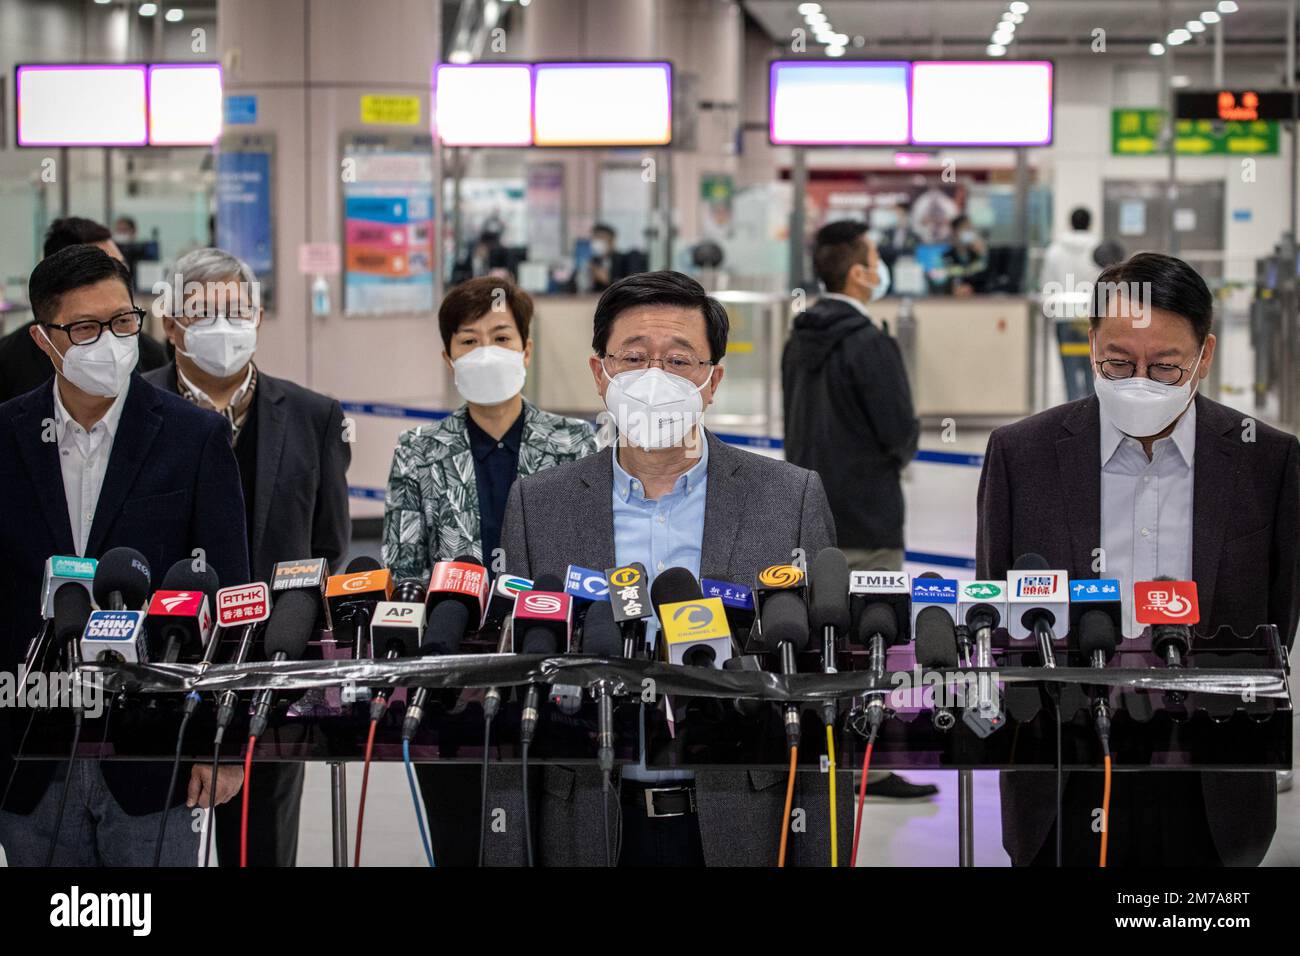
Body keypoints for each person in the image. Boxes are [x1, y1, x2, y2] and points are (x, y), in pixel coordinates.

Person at [491, 270, 851, 866]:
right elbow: (515, 697)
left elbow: (815, 701)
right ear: (598, 373)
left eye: (679, 361)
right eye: (633, 357)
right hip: (588, 821)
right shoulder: (539, 505)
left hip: (741, 821)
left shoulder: (790, 499)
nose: (654, 378)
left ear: (713, 382)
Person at [977, 252, 1299, 866]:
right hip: (1063, 768)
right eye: (1117, 362)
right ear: (1090, 341)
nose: (1140, 382)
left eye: (1167, 367)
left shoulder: (1267, 462)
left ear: (1205, 355)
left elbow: (1276, 622)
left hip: (1208, 773)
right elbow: (1000, 613)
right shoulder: (1022, 454)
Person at [0, 245, 249, 866]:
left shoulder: (194, 438)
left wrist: (223, 742)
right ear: (44, 338)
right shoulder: (6, 437)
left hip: (156, 752)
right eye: (85, 328)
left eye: (122, 321)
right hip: (29, 751)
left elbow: (232, 599)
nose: (108, 340)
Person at [144, 247, 351, 868]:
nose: (223, 326)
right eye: (203, 313)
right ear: (171, 326)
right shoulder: (137, 409)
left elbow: (327, 546)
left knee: (261, 848)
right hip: (161, 671)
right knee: (153, 847)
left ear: (259, 318)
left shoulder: (312, 415)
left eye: (237, 311)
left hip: (269, 674)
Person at [382, 274, 596, 865]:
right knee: (459, 840)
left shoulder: (577, 445)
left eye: (501, 337)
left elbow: (594, 563)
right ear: (448, 356)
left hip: (549, 668)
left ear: (527, 349)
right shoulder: (418, 451)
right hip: (454, 674)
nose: (486, 353)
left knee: (547, 837)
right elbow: (403, 569)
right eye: (469, 340)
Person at [783, 220, 934, 802]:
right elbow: (899, 431)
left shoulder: (799, 338)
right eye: (876, 256)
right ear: (858, 272)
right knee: (874, 640)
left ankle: (824, 758)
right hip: (868, 518)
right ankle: (869, 764)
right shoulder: (870, 342)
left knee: (823, 640)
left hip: (810, 513)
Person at [0, 217, 168, 403]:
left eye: (119, 264)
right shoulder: (9, 360)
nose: (113, 274)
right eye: (85, 326)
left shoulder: (149, 353)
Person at [1040, 207, 1101, 401]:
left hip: (1064, 316)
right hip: (1092, 317)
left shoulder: (1054, 251)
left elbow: (1046, 285)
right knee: (1094, 367)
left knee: (1069, 369)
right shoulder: (1099, 249)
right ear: (1090, 223)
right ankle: (1093, 413)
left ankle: (1073, 410)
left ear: (1070, 223)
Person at [935, 214, 989, 295]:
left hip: (978, 300)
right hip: (952, 301)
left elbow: (987, 279)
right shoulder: (944, 257)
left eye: (971, 229)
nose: (970, 233)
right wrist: (953, 288)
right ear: (955, 232)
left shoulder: (978, 254)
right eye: (966, 229)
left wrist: (984, 254)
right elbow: (938, 282)